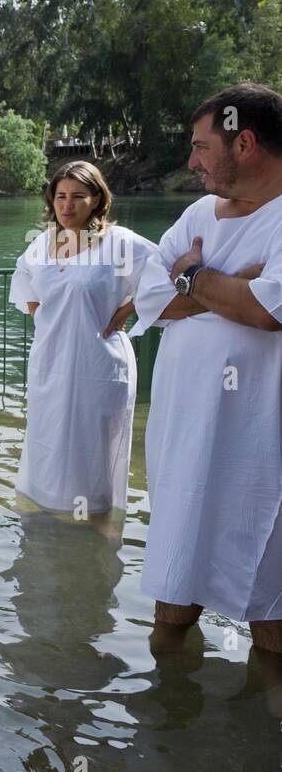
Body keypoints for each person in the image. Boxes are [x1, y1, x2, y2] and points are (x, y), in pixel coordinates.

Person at [129, 82, 282, 705]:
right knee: (175, 579)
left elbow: (268, 311)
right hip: (184, 436)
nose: (191, 161)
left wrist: (191, 275)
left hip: (259, 444)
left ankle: (256, 746)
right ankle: (167, 719)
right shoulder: (196, 217)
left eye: (200, 147)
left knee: (270, 599)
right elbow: (147, 298)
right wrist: (222, 289)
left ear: (244, 144)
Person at [10, 160, 157, 520]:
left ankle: (94, 538)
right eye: (60, 196)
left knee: (92, 451)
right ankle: (49, 528)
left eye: (78, 196)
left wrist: (126, 310)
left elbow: (164, 271)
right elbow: (23, 278)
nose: (67, 205)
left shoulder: (117, 244)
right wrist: (46, 315)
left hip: (99, 365)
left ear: (97, 199)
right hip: (50, 363)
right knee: (49, 444)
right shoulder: (44, 244)